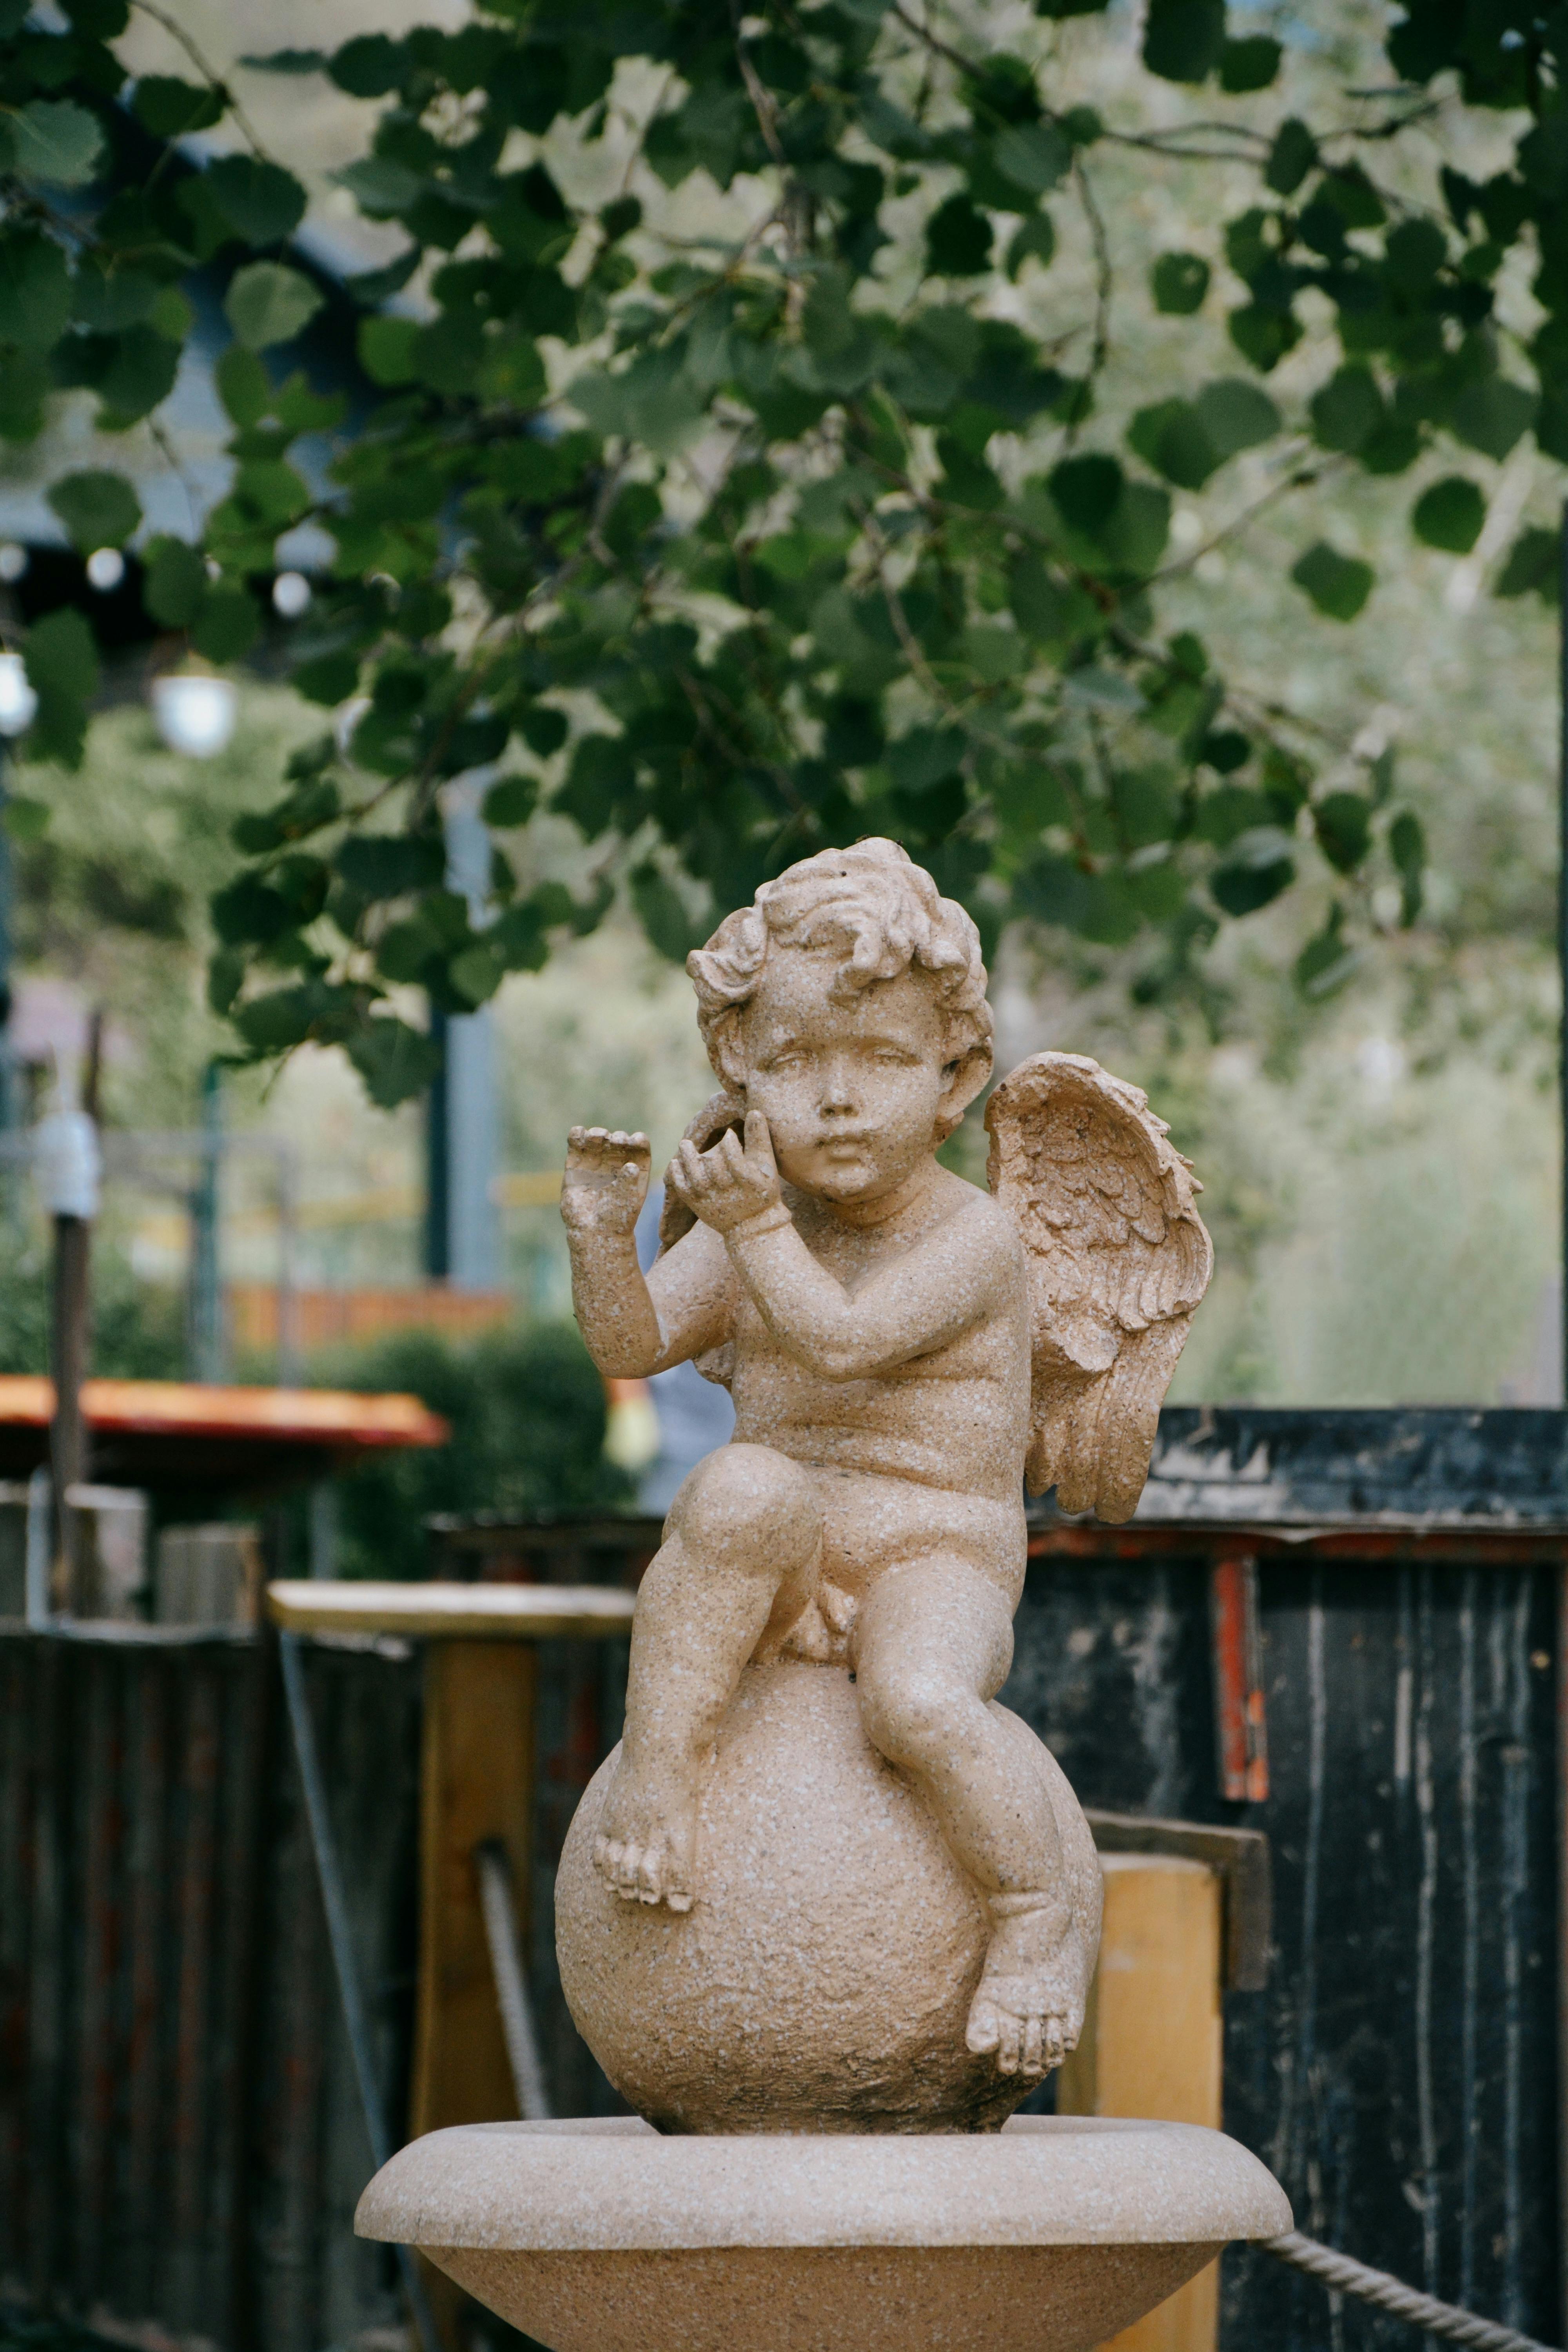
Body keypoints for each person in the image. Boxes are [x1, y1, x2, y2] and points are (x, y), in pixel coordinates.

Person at [561, 839, 1093, 2078]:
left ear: (955, 1078)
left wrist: (748, 1222)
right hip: (794, 1548)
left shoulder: (976, 1239)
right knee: (734, 1488)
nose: (839, 1100)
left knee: (915, 1702)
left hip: (932, 1549)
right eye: (798, 1063)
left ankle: (1032, 1913)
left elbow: (842, 1341)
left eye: (884, 1061)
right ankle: (660, 1776)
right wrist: (599, 1237)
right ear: (740, 1070)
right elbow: (633, 1345)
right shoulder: (761, 1223)